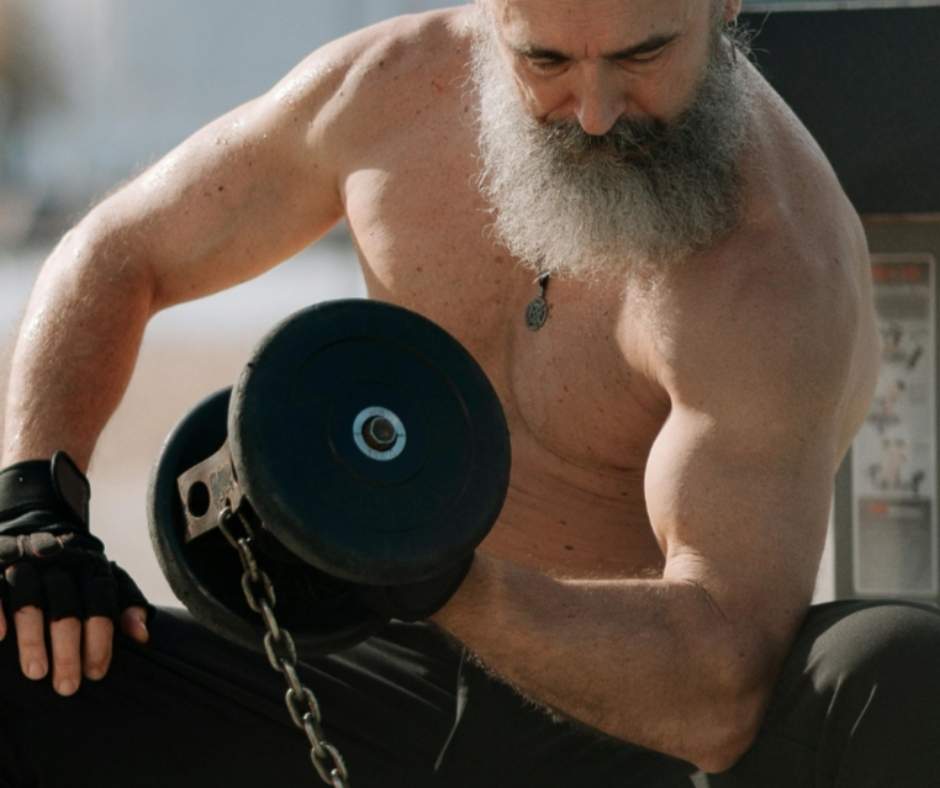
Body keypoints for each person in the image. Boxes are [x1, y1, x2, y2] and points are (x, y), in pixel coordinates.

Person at [1, 1, 939, 786]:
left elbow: (720, 685)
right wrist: (36, 503)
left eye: (643, 54)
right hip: (367, 669)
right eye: (546, 60)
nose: (597, 111)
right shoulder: (393, 90)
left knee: (894, 671)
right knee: (21, 642)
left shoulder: (772, 265)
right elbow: (117, 252)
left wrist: (447, 582)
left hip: (626, 725)